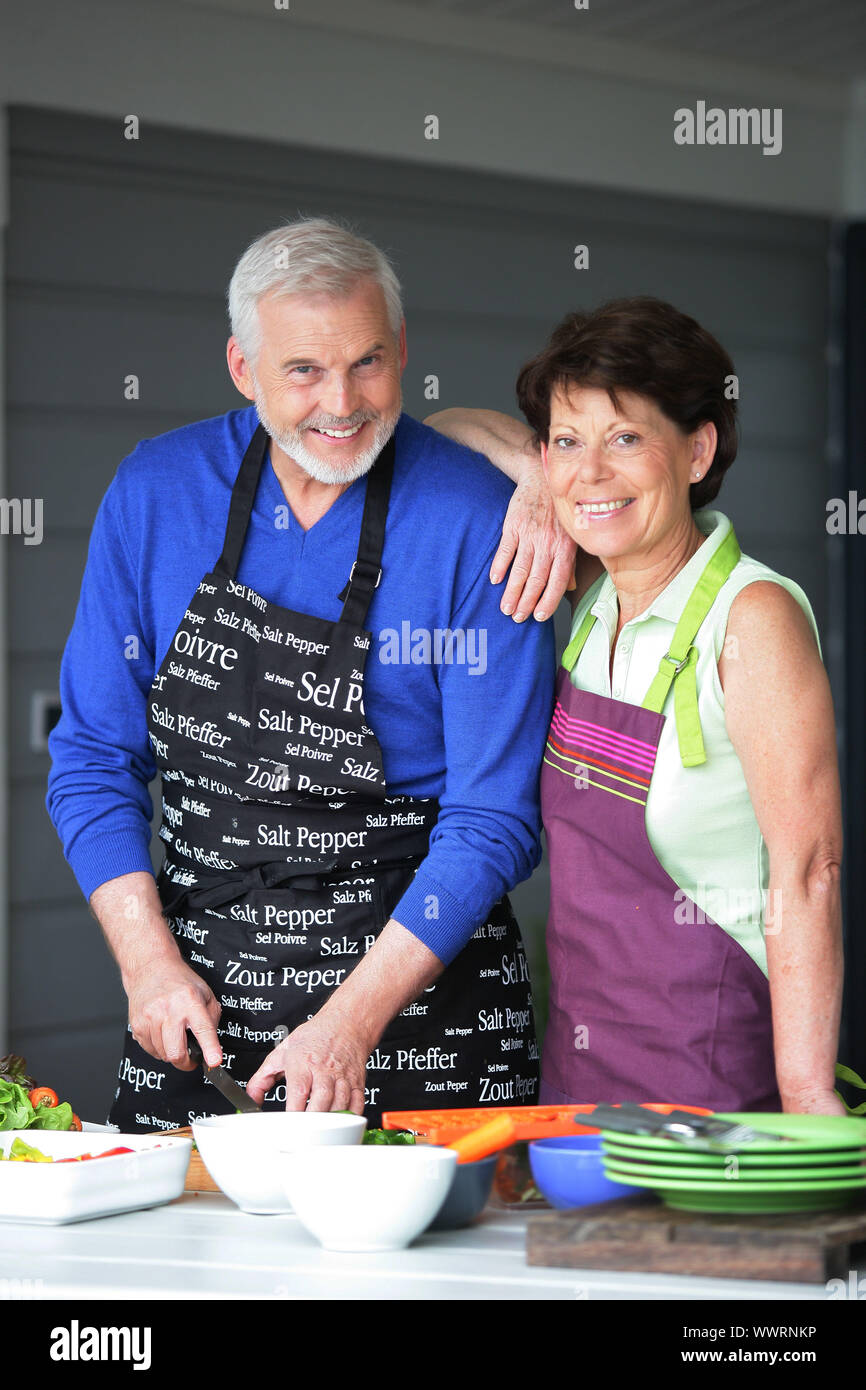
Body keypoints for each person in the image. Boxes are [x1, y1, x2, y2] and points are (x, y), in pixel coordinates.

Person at [46, 217, 560, 1130]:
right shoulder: (156, 493)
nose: (342, 402)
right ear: (242, 368)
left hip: (428, 1027)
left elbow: (496, 818)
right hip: (199, 1023)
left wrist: (349, 1025)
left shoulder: (480, 519)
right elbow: (92, 758)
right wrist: (147, 965)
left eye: (368, 362)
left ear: (403, 348)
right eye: (303, 371)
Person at [427, 296, 846, 1115]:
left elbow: (810, 871)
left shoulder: (750, 619)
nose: (592, 471)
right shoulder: (589, 594)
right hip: (577, 1082)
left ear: (697, 450)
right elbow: (443, 427)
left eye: (625, 439)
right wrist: (539, 482)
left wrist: (805, 1093)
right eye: (567, 440)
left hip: (712, 1090)